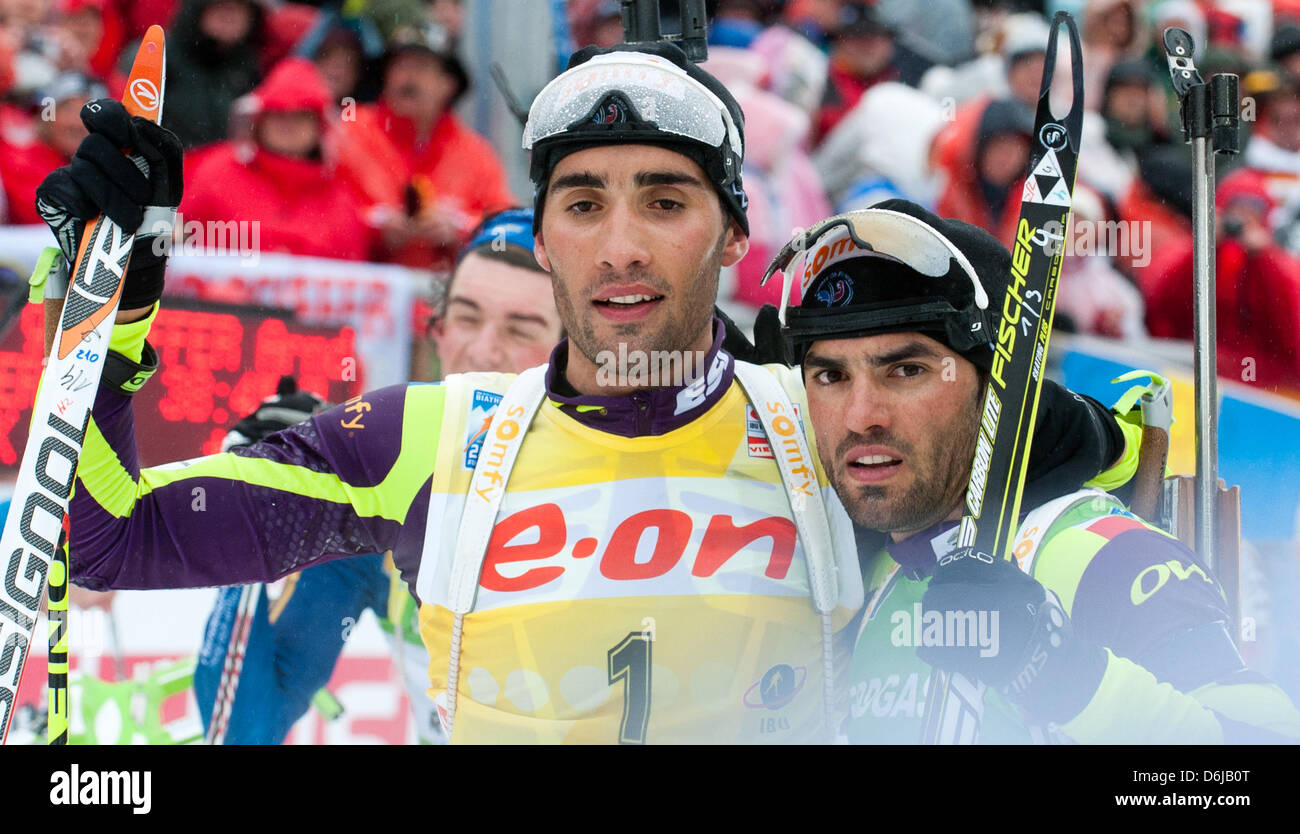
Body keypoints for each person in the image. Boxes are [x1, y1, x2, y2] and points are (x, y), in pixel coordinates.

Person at [48, 41, 1134, 744]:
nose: (619, 247)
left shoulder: (830, 417)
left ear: (735, 231)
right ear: (546, 234)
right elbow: (107, 542)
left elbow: (1116, 471)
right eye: (581, 204)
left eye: (664, 201)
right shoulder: (424, 436)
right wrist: (115, 309)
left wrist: (1051, 662)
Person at [768, 200, 1300, 743]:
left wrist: (1060, 671)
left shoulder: (1093, 554)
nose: (861, 417)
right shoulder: (863, 566)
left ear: (999, 388)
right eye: (831, 376)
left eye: (907, 371)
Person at [194, 209, 564, 745]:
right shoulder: (383, 498)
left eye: (521, 327)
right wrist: (254, 519)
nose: (484, 350)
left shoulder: (622, 497)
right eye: (465, 317)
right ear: (436, 335)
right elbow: (245, 729)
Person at [180, 57, 376, 261]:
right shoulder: (215, 171)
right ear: (259, 119)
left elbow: (350, 280)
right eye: (278, 112)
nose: (288, 123)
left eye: (301, 114)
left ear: (320, 126)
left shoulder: (340, 200)